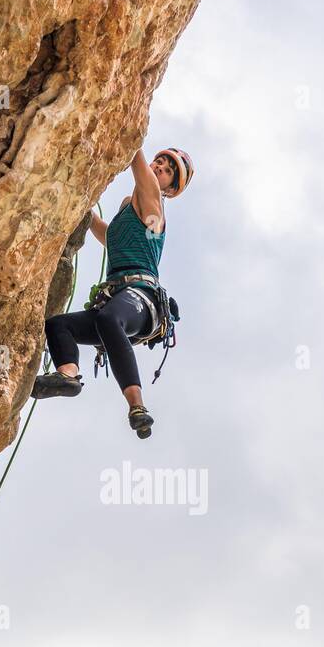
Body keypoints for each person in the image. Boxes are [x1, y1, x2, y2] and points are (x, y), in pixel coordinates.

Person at [32, 146, 194, 438]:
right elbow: (112, 239)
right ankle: (68, 375)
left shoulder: (154, 202)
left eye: (168, 170)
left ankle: (137, 406)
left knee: (107, 320)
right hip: (119, 298)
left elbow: (136, 161)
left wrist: (134, 138)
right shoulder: (128, 205)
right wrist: (88, 216)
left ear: (169, 189)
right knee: (57, 325)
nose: (160, 167)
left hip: (141, 296)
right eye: (159, 162)